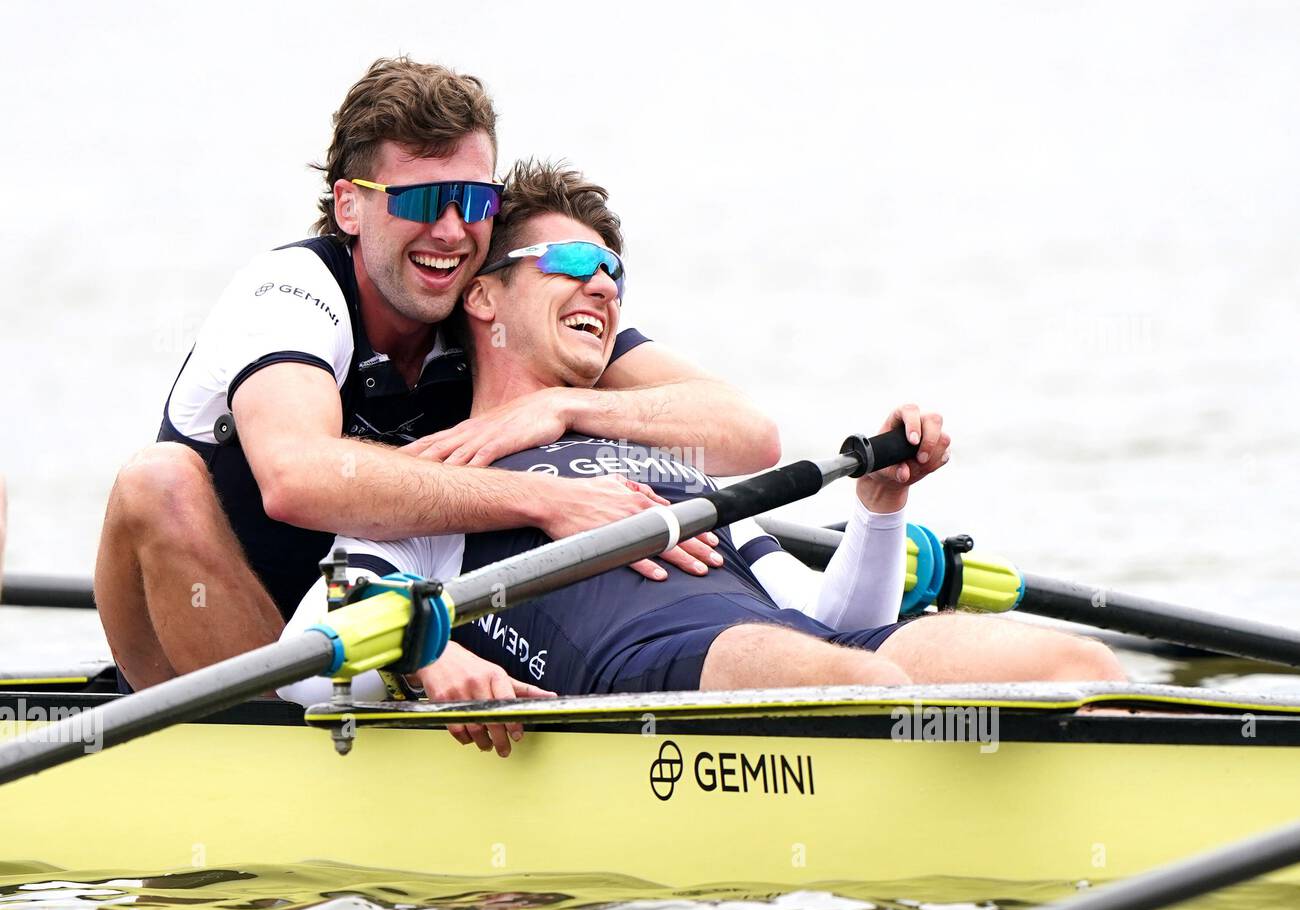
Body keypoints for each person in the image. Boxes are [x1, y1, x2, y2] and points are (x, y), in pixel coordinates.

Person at [280, 160, 1127, 757]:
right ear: (484, 294)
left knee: (1074, 666)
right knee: (858, 680)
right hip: (650, 675)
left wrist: (878, 508)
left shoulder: (668, 454)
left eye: (614, 271)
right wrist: (428, 654)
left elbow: (823, 612)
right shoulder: (443, 470)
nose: (605, 285)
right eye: (574, 262)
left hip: (807, 650)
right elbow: (306, 648)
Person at [94, 58, 779, 692]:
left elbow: (746, 435)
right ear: (349, 206)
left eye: (474, 201)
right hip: (214, 657)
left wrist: (567, 408)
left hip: (383, 634)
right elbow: (294, 479)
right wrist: (540, 500)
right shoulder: (291, 292)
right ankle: (266, 742)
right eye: (423, 203)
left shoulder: (484, 297)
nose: (452, 232)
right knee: (156, 480)